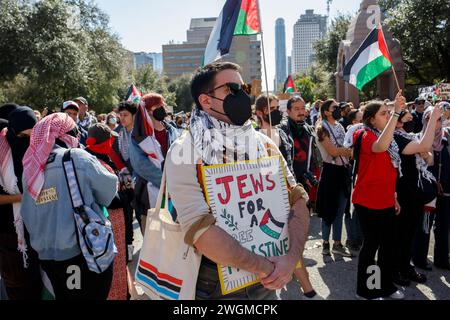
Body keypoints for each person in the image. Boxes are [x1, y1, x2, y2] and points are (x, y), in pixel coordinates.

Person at [165, 62, 310, 300]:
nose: (241, 95)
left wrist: (291, 259)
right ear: (206, 101)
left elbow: (296, 198)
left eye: (243, 88)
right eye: (231, 89)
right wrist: (266, 267)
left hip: (268, 279)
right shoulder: (185, 151)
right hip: (214, 285)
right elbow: (199, 229)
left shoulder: (264, 144)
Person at [20, 113, 117, 300]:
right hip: (81, 253)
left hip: (48, 258)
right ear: (67, 134)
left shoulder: (30, 169)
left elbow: (28, 215)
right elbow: (108, 193)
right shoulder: (76, 157)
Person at [255, 94, 321, 300]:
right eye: (270, 108)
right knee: (285, 244)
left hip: (287, 195)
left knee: (291, 243)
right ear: (259, 113)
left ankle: (305, 287)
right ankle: (307, 288)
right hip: (266, 200)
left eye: (277, 107)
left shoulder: (282, 134)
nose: (276, 111)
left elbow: (289, 164)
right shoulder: (255, 138)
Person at [352, 94, 406, 300]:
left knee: (388, 246)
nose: (387, 116)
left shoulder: (386, 136)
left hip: (385, 199)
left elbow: (389, 169)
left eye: (388, 113)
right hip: (368, 201)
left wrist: (394, 196)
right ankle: (367, 290)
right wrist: (396, 113)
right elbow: (380, 147)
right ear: (372, 119)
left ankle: (384, 286)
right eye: (383, 114)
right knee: (372, 245)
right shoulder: (365, 135)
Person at [391, 106, 441, 286]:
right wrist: (433, 118)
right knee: (400, 233)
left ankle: (405, 266)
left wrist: (424, 152)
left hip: (414, 190)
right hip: (402, 191)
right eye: (405, 114)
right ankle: (394, 270)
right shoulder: (394, 136)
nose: (410, 117)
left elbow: (428, 156)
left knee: (409, 232)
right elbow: (424, 146)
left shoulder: (405, 135)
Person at [0, 106, 43, 300]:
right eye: (23, 137)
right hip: (10, 236)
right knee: (17, 286)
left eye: (31, 137)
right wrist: (24, 196)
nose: (27, 142)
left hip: (37, 232)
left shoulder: (39, 150)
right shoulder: (2, 155)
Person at [85, 123, 127, 300]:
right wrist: (128, 195)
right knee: (115, 263)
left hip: (97, 223)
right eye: (110, 140)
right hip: (110, 222)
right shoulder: (99, 164)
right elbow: (113, 201)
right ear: (105, 142)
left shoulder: (86, 158)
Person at [129, 93, 179, 231]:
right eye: (159, 105)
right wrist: (164, 185)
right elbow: (140, 164)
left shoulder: (172, 130)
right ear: (149, 110)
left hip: (175, 192)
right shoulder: (138, 135)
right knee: (154, 239)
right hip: (149, 194)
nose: (164, 108)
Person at [413, 106, 450, 271]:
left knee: (444, 225)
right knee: (425, 225)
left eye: (437, 119)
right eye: (430, 119)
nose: (434, 123)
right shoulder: (419, 139)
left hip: (447, 189)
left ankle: (442, 259)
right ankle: (419, 259)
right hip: (427, 191)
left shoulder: (446, 138)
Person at [315, 100, 353, 257]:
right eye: (334, 108)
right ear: (326, 112)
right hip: (330, 172)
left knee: (340, 211)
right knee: (328, 210)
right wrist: (347, 152)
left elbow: (344, 150)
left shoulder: (340, 126)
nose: (338, 110)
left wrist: (345, 151)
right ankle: (325, 243)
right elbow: (333, 151)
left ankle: (337, 243)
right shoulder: (321, 128)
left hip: (343, 171)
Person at [280, 96, 321, 212]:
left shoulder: (309, 130)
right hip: (287, 185)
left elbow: (312, 157)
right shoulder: (281, 130)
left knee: (303, 222)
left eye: (303, 108)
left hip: (304, 183)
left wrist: (310, 174)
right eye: (296, 109)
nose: (301, 112)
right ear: (288, 111)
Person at [113, 101, 138, 262]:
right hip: (123, 181)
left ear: (134, 116)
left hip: (140, 180)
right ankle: (128, 247)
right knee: (127, 215)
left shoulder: (141, 132)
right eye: (120, 115)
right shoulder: (116, 133)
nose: (122, 118)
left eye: (125, 115)